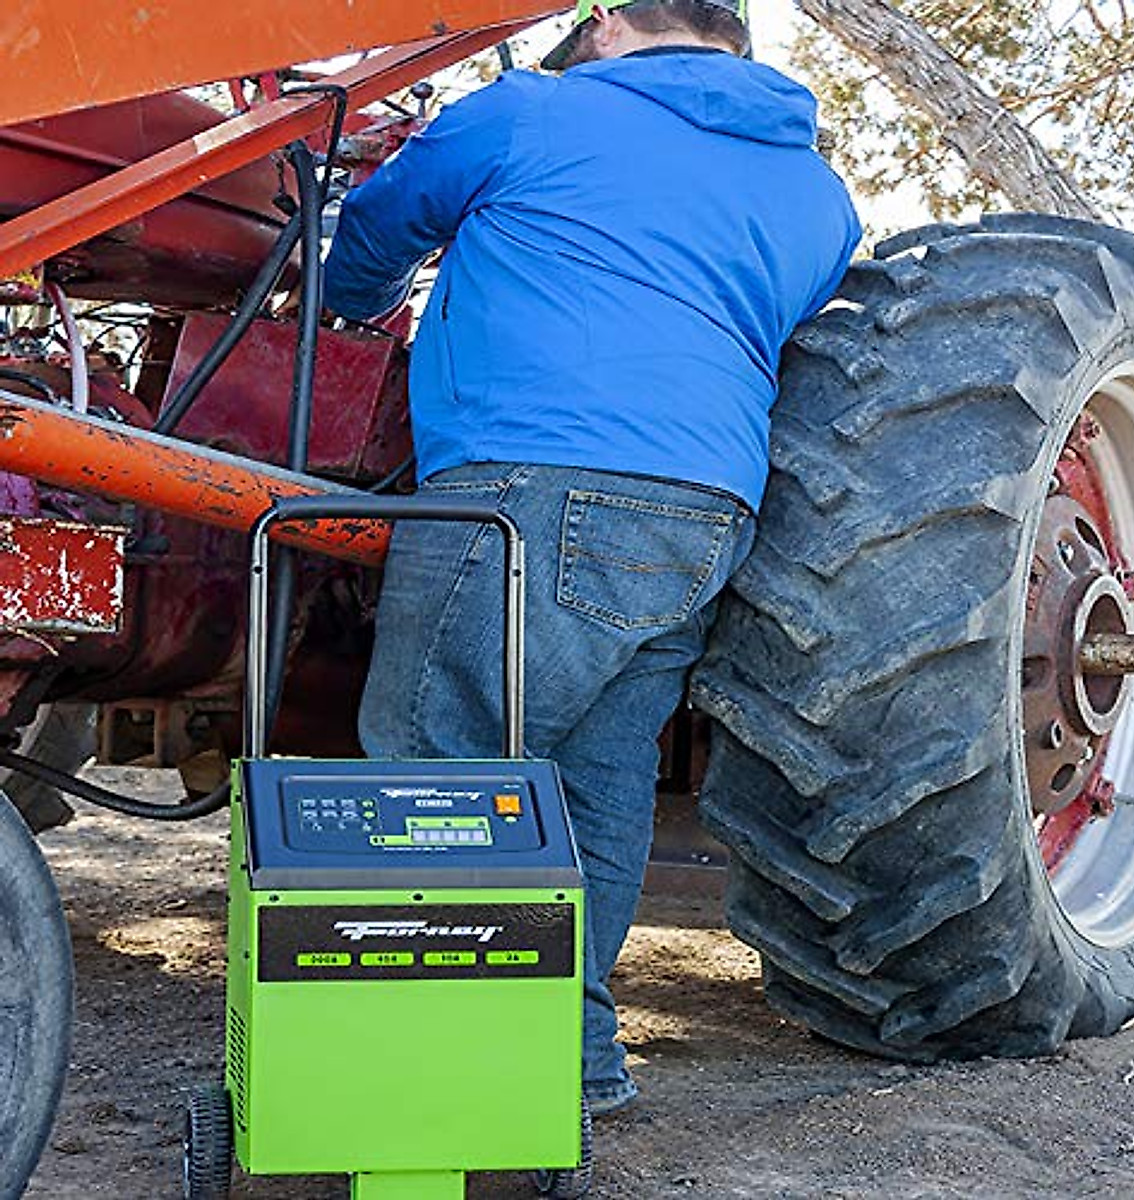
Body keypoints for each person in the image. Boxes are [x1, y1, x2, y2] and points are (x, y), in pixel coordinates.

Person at [324, 0, 861, 1117]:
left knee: (436, 766)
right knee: (598, 785)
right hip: (707, 508)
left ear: (607, 26)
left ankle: (425, 1082)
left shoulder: (532, 111)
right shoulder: (817, 192)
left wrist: (349, 309)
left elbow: (376, 231)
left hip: (528, 487)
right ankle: (566, 1063)